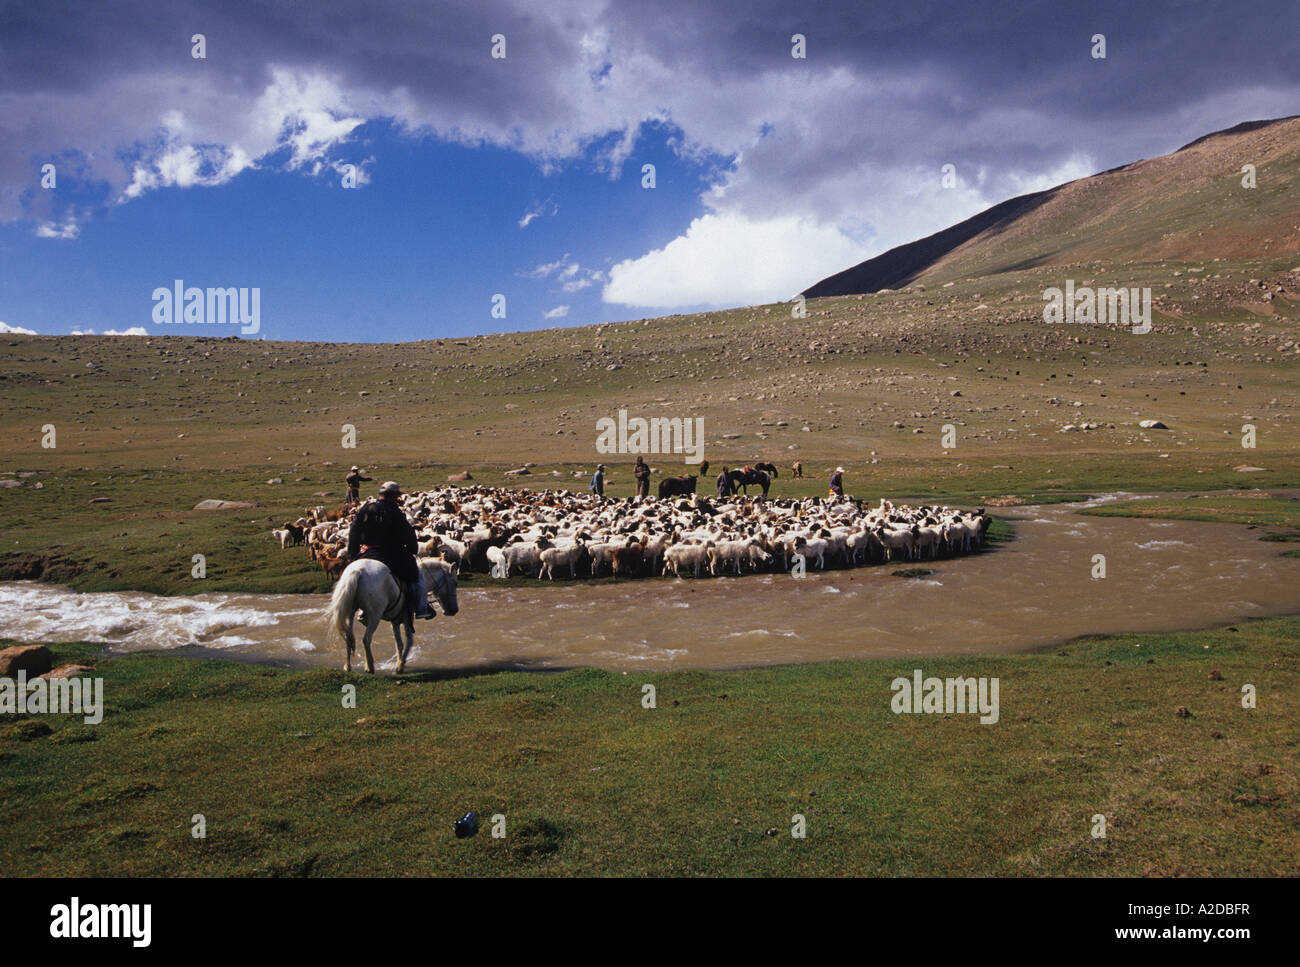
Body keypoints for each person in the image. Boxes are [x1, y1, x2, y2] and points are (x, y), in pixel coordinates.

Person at [346, 481, 434, 619]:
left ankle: (357, 607)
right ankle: (421, 607)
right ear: (393, 496)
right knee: (417, 576)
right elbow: (407, 533)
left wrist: (353, 555)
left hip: (368, 552)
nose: (398, 498)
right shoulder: (394, 511)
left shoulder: (366, 509)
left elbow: (354, 531)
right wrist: (412, 549)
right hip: (392, 554)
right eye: (397, 496)